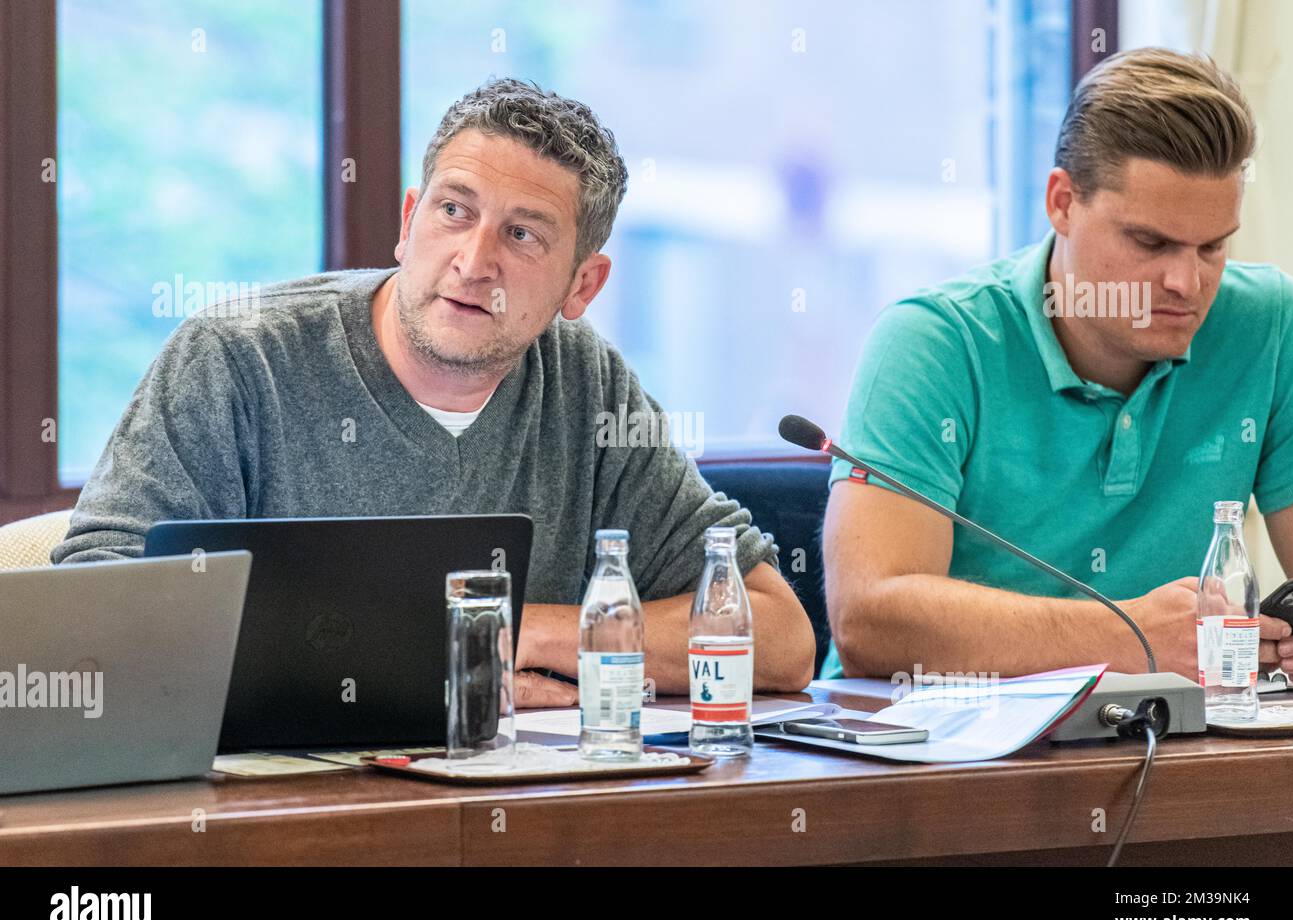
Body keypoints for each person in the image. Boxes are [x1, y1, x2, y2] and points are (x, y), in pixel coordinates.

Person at [54, 78, 815, 705]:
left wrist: (520, 631)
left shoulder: (589, 388)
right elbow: (91, 614)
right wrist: (435, 655)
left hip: (512, 805)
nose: (474, 262)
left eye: (523, 235)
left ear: (583, 284)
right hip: (267, 806)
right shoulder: (237, 358)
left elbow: (781, 639)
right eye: (455, 211)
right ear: (409, 220)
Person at [822, 48, 1293, 682]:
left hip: (1175, 734)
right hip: (931, 736)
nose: (1187, 283)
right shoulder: (933, 342)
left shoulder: (1271, 324)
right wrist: (1129, 637)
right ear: (1062, 202)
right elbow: (869, 620)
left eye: (1212, 247)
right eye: (1150, 242)